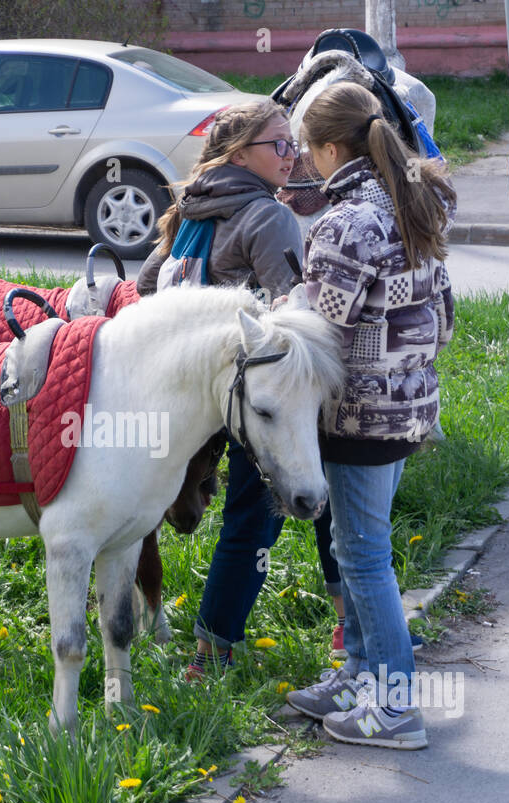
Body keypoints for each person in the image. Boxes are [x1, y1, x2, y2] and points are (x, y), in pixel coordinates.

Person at [284, 80, 456, 751]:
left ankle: (393, 707)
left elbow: (317, 328)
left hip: (356, 415)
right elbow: (442, 319)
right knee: (359, 551)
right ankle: (358, 676)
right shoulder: (405, 199)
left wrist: (281, 303)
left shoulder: (345, 221)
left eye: (306, 150)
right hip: (406, 407)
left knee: (362, 559)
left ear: (330, 148)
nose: (304, 162)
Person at [137, 100, 322, 680]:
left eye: (295, 144)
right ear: (241, 154)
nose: (293, 157)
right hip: (251, 392)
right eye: (279, 145)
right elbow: (291, 317)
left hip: (186, 392)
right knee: (264, 509)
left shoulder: (193, 204)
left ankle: (165, 631)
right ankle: (213, 652)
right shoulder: (268, 216)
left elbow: (145, 287)